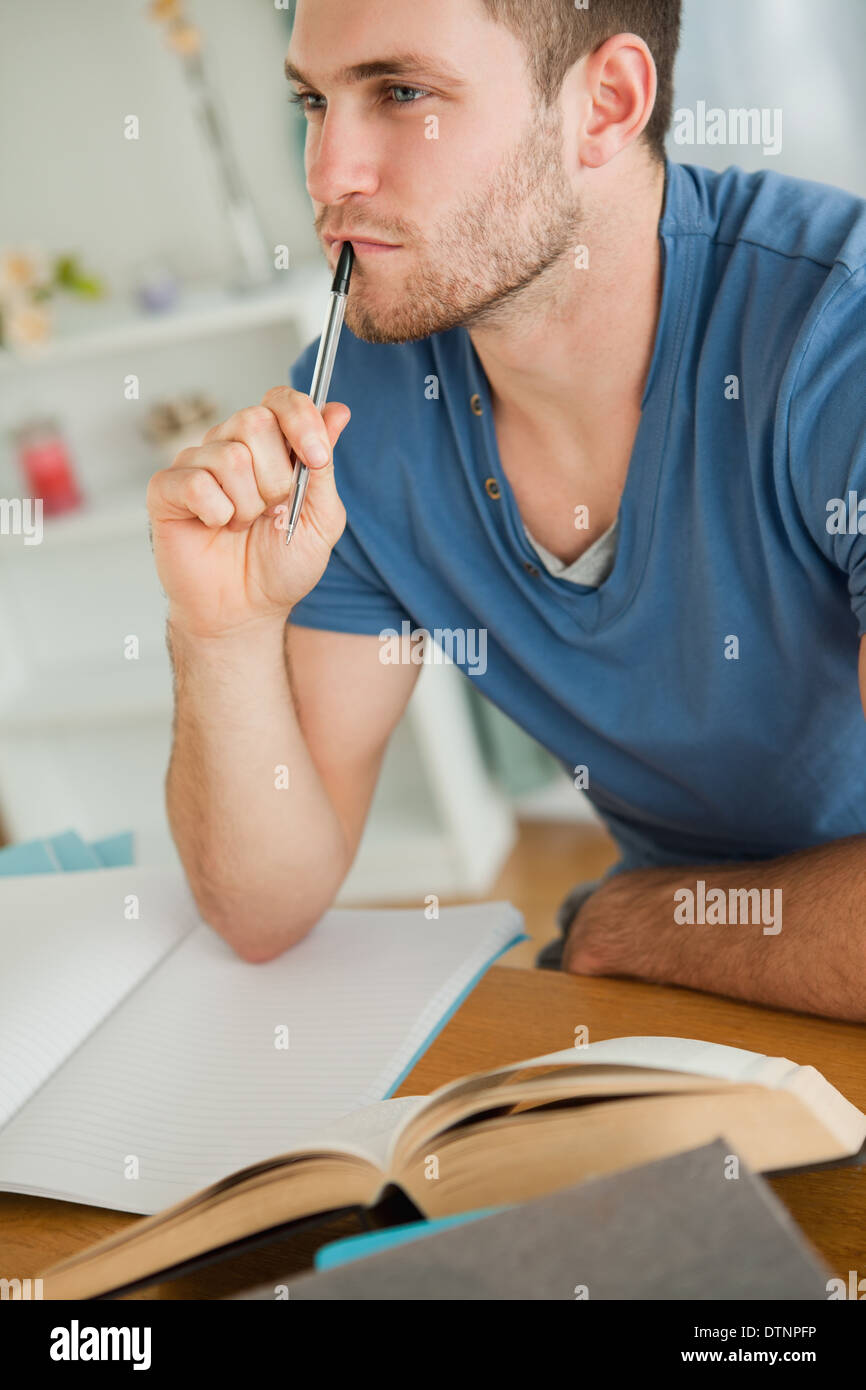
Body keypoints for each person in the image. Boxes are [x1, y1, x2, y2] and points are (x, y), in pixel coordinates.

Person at [146, 0, 866, 1021]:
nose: (326, 174)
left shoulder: (838, 341)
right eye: (313, 101)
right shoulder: (357, 406)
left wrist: (635, 922)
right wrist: (219, 632)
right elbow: (262, 908)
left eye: (401, 94)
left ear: (603, 105)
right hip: (689, 990)